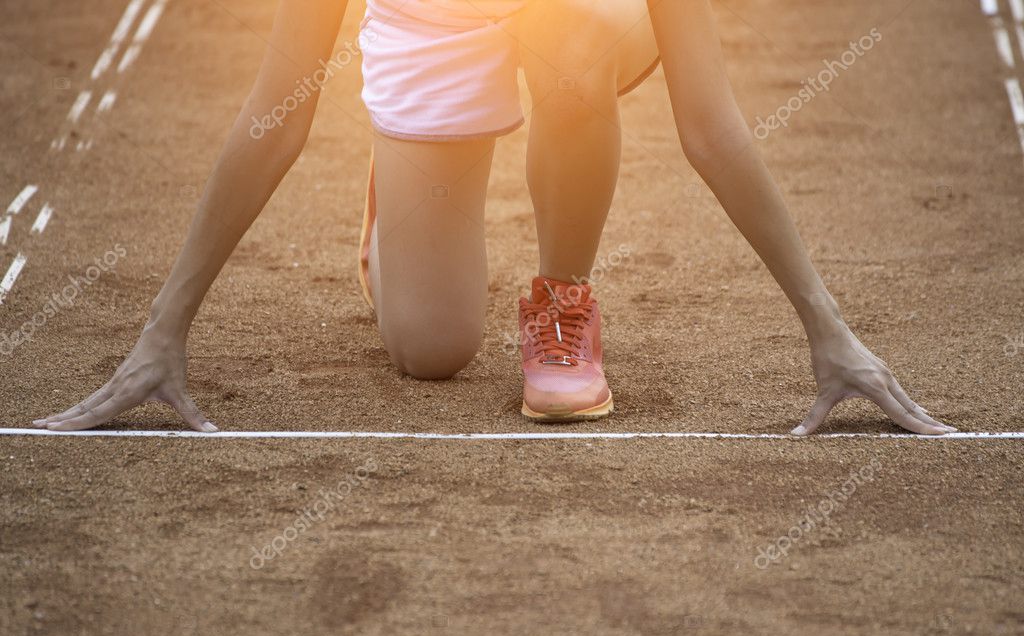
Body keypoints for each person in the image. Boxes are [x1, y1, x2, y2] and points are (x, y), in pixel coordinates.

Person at [34, 0, 954, 435]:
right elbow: (275, 114)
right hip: (429, 27)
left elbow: (710, 127)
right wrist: (163, 333)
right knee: (431, 351)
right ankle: (393, 203)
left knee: (572, 40)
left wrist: (829, 332)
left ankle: (563, 306)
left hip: (576, 19)